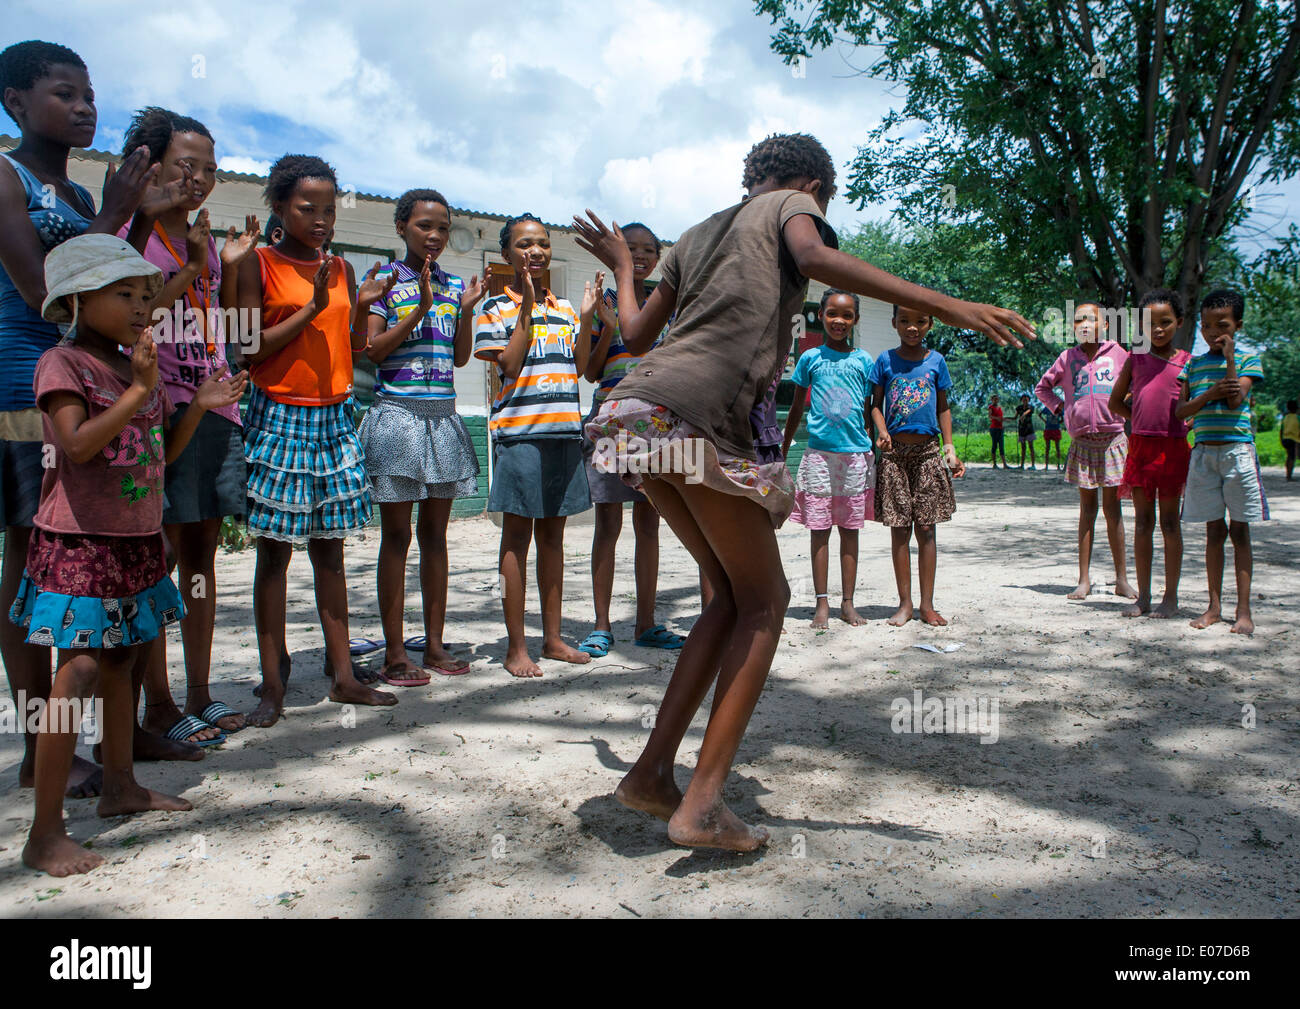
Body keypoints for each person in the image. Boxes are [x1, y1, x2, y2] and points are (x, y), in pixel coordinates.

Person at [574, 131, 1033, 851]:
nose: (815, 219)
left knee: (730, 596)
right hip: (693, 417)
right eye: (827, 202)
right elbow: (815, 257)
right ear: (811, 185)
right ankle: (701, 805)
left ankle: (650, 773)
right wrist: (947, 303)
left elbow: (633, 330)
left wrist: (617, 270)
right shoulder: (794, 203)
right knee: (766, 600)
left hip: (634, 414)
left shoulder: (696, 233)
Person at [15, 233, 244, 875]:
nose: (144, 306)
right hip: (82, 544)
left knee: (124, 664)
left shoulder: (129, 367)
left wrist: (194, 406)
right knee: (81, 671)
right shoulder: (64, 366)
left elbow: (161, 457)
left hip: (137, 542)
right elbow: (79, 446)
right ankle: (45, 832)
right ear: (79, 300)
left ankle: (120, 787)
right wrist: (143, 391)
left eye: (148, 295)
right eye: (126, 294)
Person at [0, 40, 183, 795]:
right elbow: (45, 282)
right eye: (63, 93)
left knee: (108, 561)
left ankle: (118, 738)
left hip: (105, 386)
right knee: (35, 565)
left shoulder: (76, 199)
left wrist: (134, 221)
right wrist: (116, 211)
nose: (84, 108)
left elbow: (107, 277)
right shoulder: (6, 177)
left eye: (90, 95)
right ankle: (38, 740)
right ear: (14, 101)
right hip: (25, 393)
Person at [235, 154, 398, 726]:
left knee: (331, 551)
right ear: (280, 206)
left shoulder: (345, 269)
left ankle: (344, 676)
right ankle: (272, 685)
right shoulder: (258, 263)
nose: (323, 218)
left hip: (334, 416)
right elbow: (249, 348)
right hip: (280, 413)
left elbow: (354, 347)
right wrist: (310, 304)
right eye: (308, 208)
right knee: (275, 555)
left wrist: (360, 305)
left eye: (330, 209)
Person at [117, 107, 261, 747]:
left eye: (209, 168)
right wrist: (190, 266)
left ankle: (199, 694)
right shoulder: (130, 232)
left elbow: (228, 332)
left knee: (202, 552)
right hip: (161, 408)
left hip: (214, 406)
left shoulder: (201, 242)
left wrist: (225, 266)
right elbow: (133, 313)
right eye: (186, 165)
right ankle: (160, 703)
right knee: (161, 559)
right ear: (150, 163)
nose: (199, 178)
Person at [361, 189, 485, 682]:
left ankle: (434, 646)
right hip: (397, 418)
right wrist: (417, 309)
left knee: (436, 536)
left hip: (443, 417)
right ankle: (395, 653)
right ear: (401, 228)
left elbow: (458, 358)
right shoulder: (384, 282)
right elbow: (371, 350)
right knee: (397, 536)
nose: (433, 236)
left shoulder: (456, 285)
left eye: (441, 227)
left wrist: (466, 310)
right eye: (423, 227)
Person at [473, 213, 595, 678]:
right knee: (516, 540)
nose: (536, 251)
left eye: (542, 243)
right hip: (520, 437)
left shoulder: (563, 309)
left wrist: (584, 321)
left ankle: (553, 638)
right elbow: (507, 363)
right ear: (507, 254)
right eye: (524, 244)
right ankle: (515, 647)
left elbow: (581, 367)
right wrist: (524, 305)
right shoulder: (494, 310)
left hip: (564, 434)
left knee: (554, 541)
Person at [578, 222, 684, 657]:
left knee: (650, 524)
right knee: (607, 524)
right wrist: (604, 327)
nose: (639, 257)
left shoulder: (667, 304)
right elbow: (589, 370)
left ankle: (646, 623)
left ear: (658, 258)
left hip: (655, 426)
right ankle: (602, 625)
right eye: (630, 249)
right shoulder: (600, 300)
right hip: (609, 422)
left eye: (647, 250)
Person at [782, 289, 874, 628]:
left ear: (855, 320)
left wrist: (876, 441)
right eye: (832, 314)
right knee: (819, 529)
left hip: (854, 456)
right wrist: (783, 448)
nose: (839, 321)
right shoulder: (810, 359)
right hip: (819, 457)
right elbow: (795, 408)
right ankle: (821, 603)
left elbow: (869, 409)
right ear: (820, 315)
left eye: (847, 315)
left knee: (850, 530)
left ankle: (847, 602)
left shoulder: (864, 361)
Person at [1176, 288, 1266, 634]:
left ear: (1238, 326)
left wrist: (1229, 358)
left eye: (1222, 326)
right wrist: (1208, 394)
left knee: (1240, 532)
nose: (1214, 333)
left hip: (1237, 453)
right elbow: (1181, 411)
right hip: (1203, 453)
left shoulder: (1247, 360)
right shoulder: (1193, 364)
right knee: (1214, 531)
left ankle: (1243, 612)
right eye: (1207, 326)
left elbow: (1235, 400)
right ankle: (1213, 607)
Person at [1035, 302, 1135, 600]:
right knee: (1087, 511)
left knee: (1113, 511)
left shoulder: (1119, 353)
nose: (1085, 324)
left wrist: (1125, 404)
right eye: (1079, 320)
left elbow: (1136, 383)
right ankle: (1083, 579)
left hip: (1114, 441)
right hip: (1082, 443)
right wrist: (1062, 408)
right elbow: (1043, 388)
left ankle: (1122, 579)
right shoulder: (1067, 358)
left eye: (1091, 319)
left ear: (1105, 324)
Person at [871, 306, 963, 626]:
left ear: (930, 324)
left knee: (926, 529)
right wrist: (881, 432)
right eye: (905, 321)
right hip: (895, 455)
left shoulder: (936, 361)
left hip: (927, 453)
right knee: (900, 530)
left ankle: (927, 604)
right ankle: (905, 604)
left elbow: (943, 408)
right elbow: (875, 406)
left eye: (920, 321)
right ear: (894, 322)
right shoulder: (884, 361)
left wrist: (949, 450)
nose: (913, 327)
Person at [1109, 289, 1191, 618]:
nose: (1157, 330)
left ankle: (1170, 597)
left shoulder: (1187, 362)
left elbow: (1192, 405)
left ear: (1180, 323)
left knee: (1170, 523)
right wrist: (1138, 420)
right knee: (1143, 523)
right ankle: (1143, 597)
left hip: (1173, 448)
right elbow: (1116, 402)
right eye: (1149, 324)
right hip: (1141, 447)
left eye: (1165, 322)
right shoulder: (1136, 358)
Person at [1040, 402, 1064, 470]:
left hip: (1056, 429)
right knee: (1047, 448)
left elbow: (1062, 418)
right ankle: (1046, 465)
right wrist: (1045, 421)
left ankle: (1058, 465)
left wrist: (1058, 423)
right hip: (1048, 429)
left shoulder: (1059, 409)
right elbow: (1040, 414)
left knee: (1057, 447)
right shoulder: (1047, 407)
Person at [1015, 393, 1036, 469]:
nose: (1025, 400)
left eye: (1026, 399)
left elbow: (1029, 411)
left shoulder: (1031, 407)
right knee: (1023, 448)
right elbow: (1015, 417)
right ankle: (1022, 465)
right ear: (1021, 400)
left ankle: (1033, 465)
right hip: (1021, 429)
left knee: (1031, 446)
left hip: (1029, 429)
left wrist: (1023, 414)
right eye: (1023, 399)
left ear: (1029, 400)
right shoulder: (1019, 408)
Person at [987, 394, 1007, 468]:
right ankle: (994, 463)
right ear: (992, 400)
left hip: (1000, 428)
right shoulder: (990, 407)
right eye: (994, 399)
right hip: (994, 428)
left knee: (1001, 445)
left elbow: (1001, 417)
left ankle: (1004, 464)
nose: (996, 400)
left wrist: (1003, 419)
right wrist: (996, 418)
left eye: (997, 399)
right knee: (994, 445)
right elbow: (990, 416)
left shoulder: (1000, 408)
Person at [1281, 399, 1298, 481]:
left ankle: (1288, 474)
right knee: (1292, 457)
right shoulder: (1297, 417)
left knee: (1289, 457)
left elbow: (1281, 429)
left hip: (1285, 439)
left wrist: (1281, 439)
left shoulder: (1285, 417)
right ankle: (1289, 476)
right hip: (1294, 439)